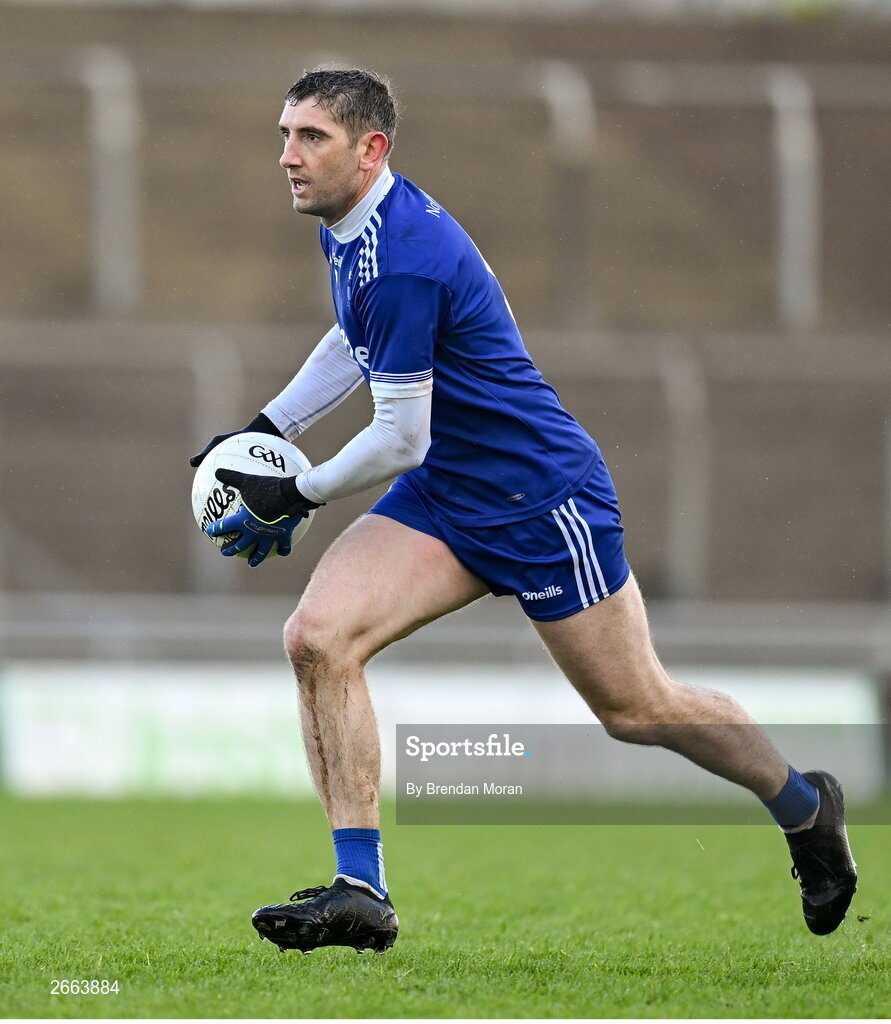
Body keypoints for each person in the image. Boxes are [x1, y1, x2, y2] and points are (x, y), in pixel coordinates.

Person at [191, 67, 857, 954]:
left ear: (371, 148)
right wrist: (269, 427)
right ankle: (361, 888)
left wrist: (298, 486)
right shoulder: (352, 227)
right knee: (318, 637)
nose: (287, 156)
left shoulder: (406, 257)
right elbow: (355, 339)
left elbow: (399, 438)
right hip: (448, 496)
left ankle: (805, 807)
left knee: (636, 709)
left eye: (310, 137)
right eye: (284, 135)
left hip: (542, 500)